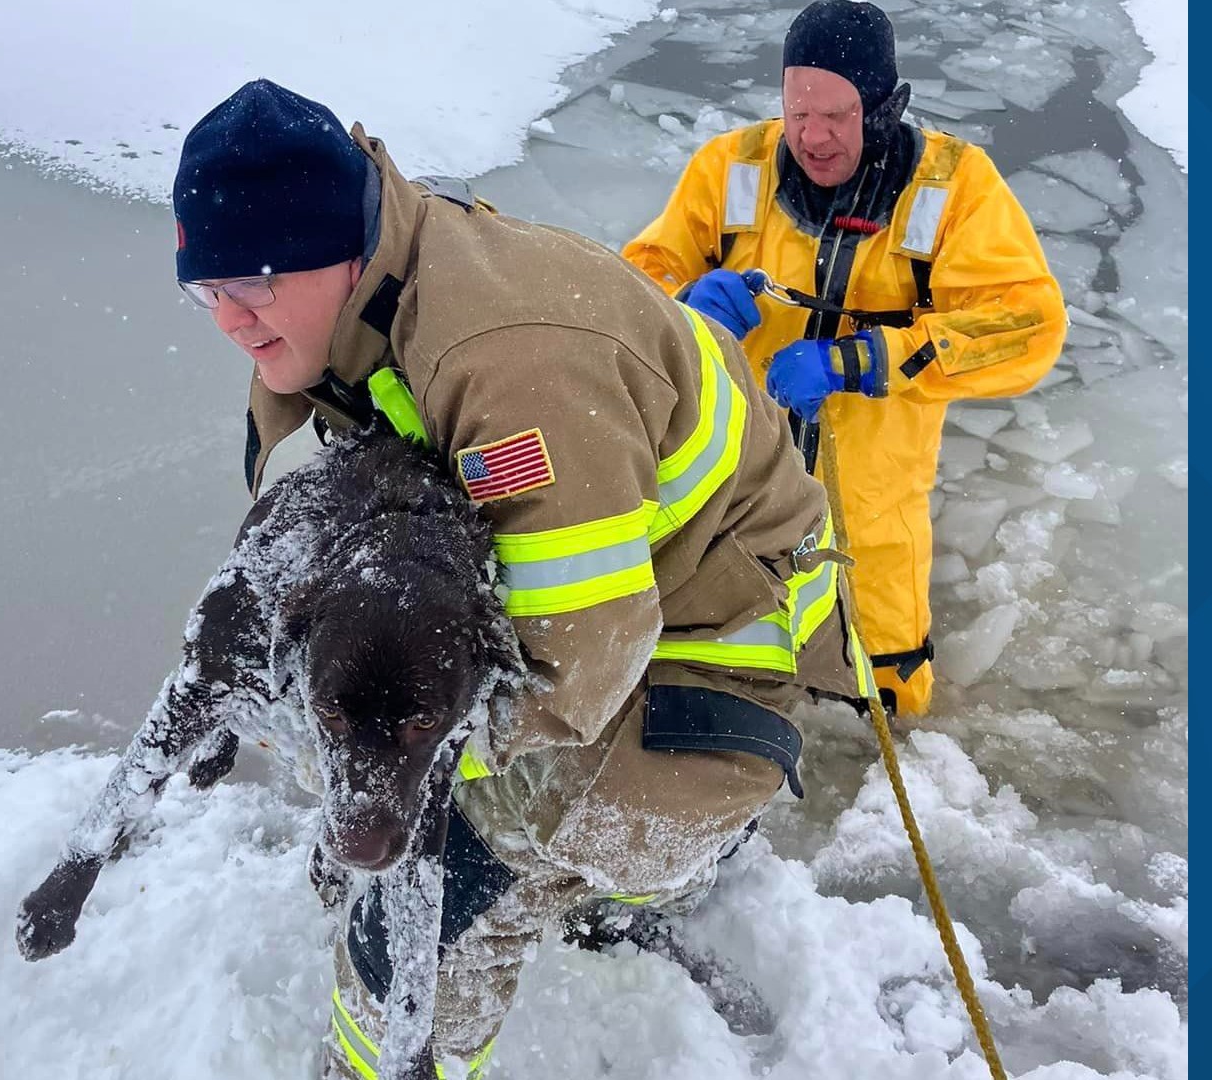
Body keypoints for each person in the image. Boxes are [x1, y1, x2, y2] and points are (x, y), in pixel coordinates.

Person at [171, 79, 876, 1079]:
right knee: (407, 803)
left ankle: (639, 864)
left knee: (415, 927)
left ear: (340, 249)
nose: (230, 320)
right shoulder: (365, 291)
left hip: (708, 667)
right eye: (206, 290)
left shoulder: (510, 368)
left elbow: (574, 664)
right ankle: (613, 877)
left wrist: (387, 763)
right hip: (647, 609)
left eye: (251, 284)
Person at [623, 0, 1067, 716]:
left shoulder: (955, 187)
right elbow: (630, 288)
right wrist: (680, 307)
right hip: (736, 482)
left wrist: (860, 361)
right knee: (714, 662)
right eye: (798, 113)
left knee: (882, 689)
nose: (812, 137)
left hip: (872, 503)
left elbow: (1027, 326)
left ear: (884, 109)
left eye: (836, 116)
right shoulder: (731, 168)